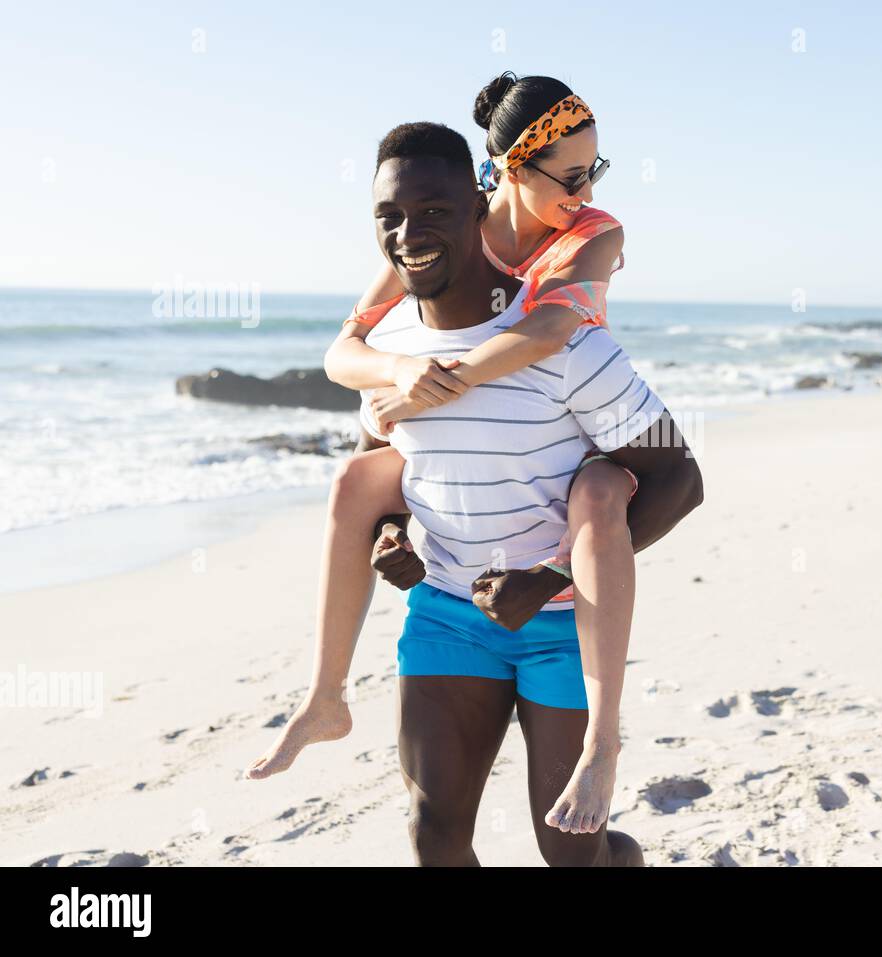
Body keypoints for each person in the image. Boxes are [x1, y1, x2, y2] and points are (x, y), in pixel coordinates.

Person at [247, 74, 643, 836]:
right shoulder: (442, 232)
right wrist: (402, 375)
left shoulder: (593, 231)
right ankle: (325, 693)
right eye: (572, 174)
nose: (587, 189)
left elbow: (550, 332)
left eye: (596, 169)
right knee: (359, 479)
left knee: (596, 486)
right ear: (509, 170)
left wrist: (440, 387)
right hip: (459, 451)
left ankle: (604, 737)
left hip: (562, 443)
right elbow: (345, 349)